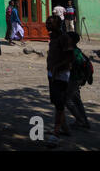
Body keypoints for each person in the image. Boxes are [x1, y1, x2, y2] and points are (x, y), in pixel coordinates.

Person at [45, 15, 75, 148]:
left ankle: (56, 133)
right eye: (47, 23)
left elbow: (70, 57)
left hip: (61, 75)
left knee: (59, 103)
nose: (47, 25)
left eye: (51, 23)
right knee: (56, 102)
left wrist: (58, 67)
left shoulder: (64, 38)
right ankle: (65, 129)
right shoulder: (53, 38)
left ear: (58, 24)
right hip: (52, 74)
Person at [66, 32, 91, 129]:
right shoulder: (76, 50)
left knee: (66, 100)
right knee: (76, 99)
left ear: (71, 41)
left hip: (74, 79)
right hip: (78, 78)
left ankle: (80, 120)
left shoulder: (73, 52)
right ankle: (84, 121)